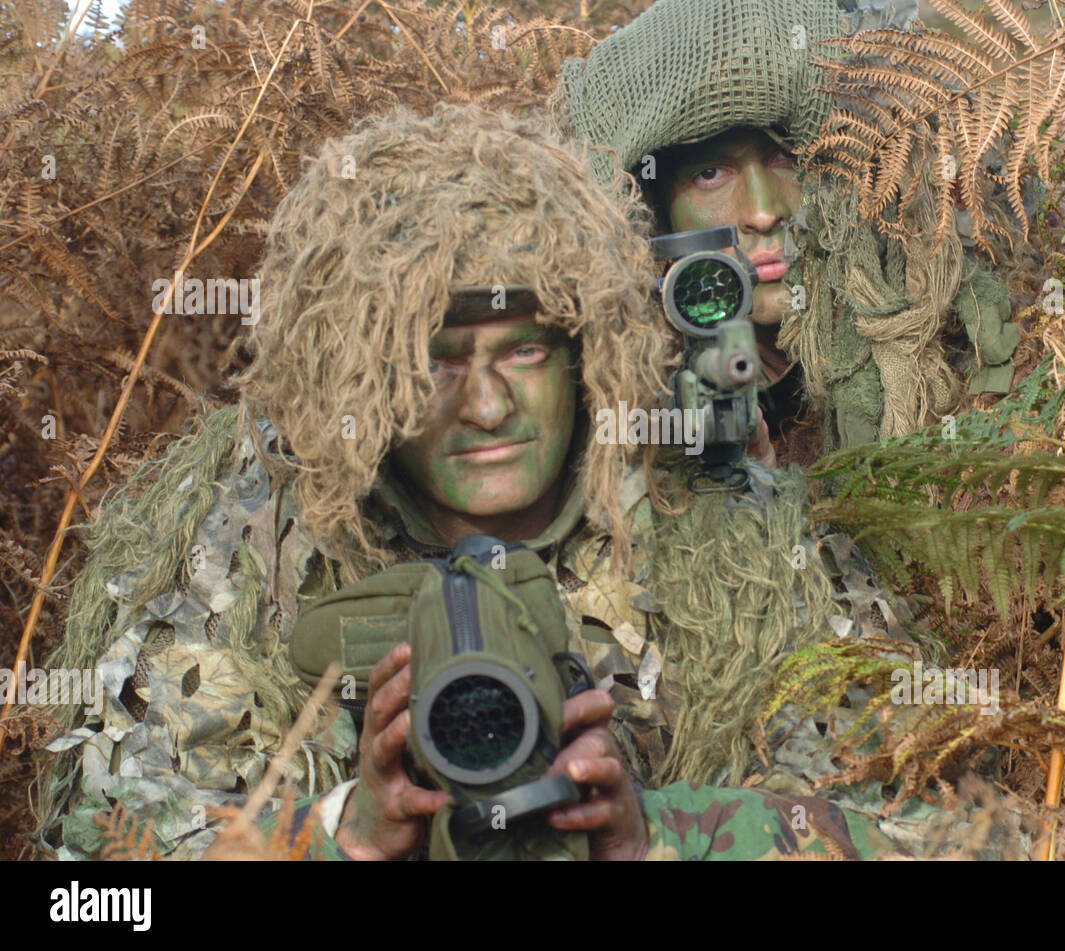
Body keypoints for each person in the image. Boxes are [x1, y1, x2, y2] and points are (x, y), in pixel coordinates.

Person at [36, 104, 963, 861]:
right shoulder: (258, 546)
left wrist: (655, 837)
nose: (485, 406)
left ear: (588, 353)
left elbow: (939, 831)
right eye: (437, 361)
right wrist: (342, 839)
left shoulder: (740, 541)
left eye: (525, 348)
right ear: (358, 372)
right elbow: (99, 870)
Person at [553, 0, 1023, 466]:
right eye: (710, 174)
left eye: (789, 159)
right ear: (656, 214)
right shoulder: (616, 405)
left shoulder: (965, 342)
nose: (761, 213)